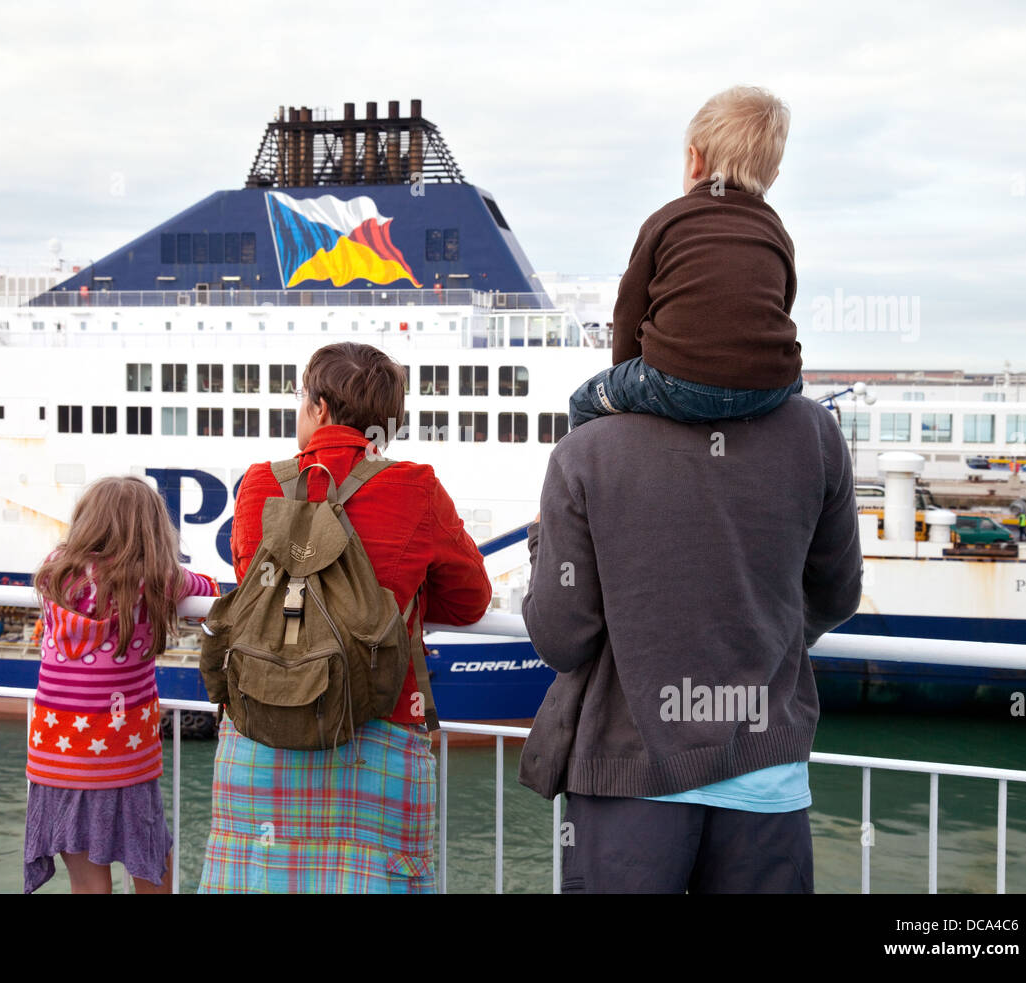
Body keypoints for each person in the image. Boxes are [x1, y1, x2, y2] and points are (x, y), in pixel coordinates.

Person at [519, 395, 862, 893]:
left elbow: (560, 638)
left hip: (628, 782)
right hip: (766, 779)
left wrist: (540, 539)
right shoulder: (813, 431)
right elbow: (837, 594)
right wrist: (769, 636)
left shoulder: (589, 448)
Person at [198, 342, 491, 893]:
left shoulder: (262, 484)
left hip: (261, 731)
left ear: (321, 409)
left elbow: (257, 585)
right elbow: (470, 601)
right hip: (378, 735)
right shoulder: (416, 487)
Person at [24, 476, 219, 894]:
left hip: (55, 759)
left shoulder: (56, 572)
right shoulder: (155, 578)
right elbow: (207, 589)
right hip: (122, 760)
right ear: (151, 530)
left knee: (90, 884)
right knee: (150, 861)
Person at [569, 86, 804, 429]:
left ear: (695, 160)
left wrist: (626, 374)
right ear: (773, 177)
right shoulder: (775, 230)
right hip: (766, 387)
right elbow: (782, 305)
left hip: (675, 383)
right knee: (796, 390)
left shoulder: (668, 219)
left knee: (583, 402)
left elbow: (629, 309)